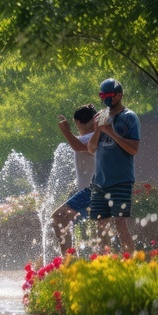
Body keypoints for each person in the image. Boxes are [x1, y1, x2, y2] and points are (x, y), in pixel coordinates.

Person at [87, 78, 140, 253]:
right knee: (100, 227)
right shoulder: (101, 116)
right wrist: (97, 130)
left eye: (108, 95)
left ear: (119, 95)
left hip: (121, 180)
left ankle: (130, 266)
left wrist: (110, 132)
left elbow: (133, 149)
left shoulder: (129, 117)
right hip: (100, 181)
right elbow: (91, 148)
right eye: (102, 95)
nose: (105, 99)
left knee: (120, 225)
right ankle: (105, 268)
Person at [51, 104, 98, 255]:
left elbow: (78, 146)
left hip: (92, 191)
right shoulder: (88, 137)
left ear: (77, 122)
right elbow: (76, 143)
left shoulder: (94, 138)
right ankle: (72, 258)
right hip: (86, 192)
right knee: (63, 219)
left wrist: (66, 131)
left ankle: (69, 261)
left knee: (59, 217)